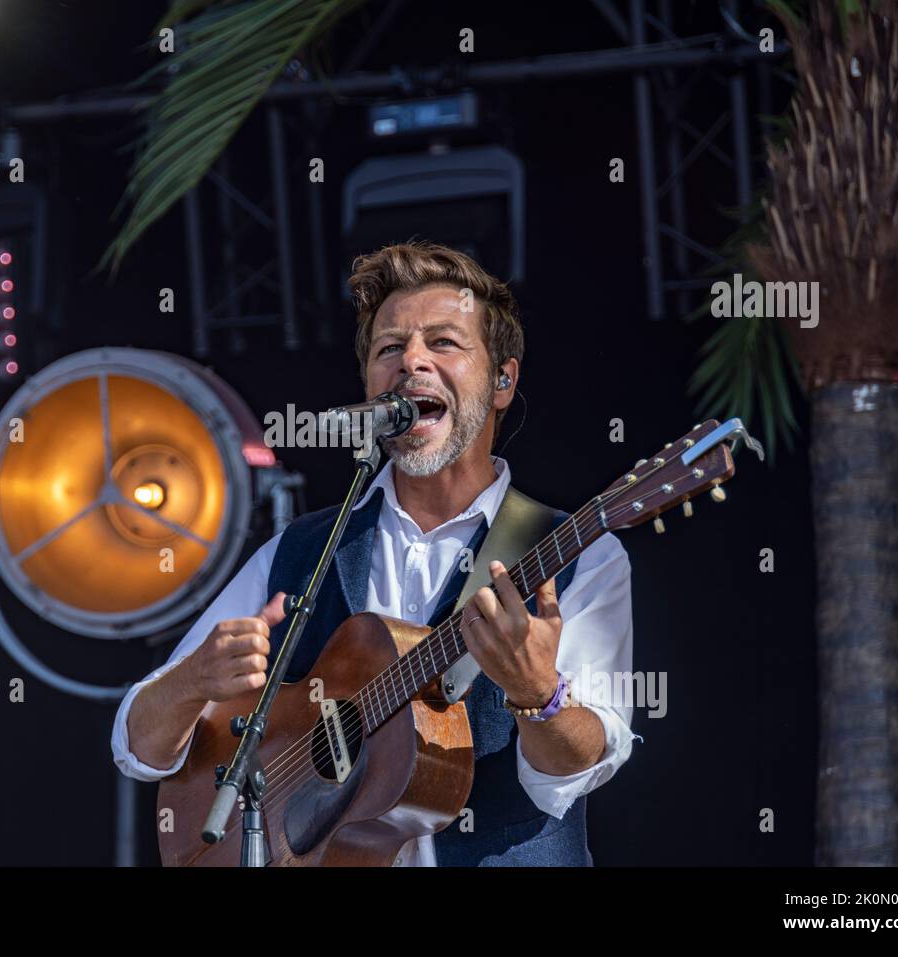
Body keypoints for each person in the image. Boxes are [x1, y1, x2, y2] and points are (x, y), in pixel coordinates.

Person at [112, 240, 638, 865]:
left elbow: (573, 770)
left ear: (503, 381)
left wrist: (537, 693)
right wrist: (193, 681)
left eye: (443, 342)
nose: (411, 361)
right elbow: (138, 747)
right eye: (390, 348)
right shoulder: (301, 550)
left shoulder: (576, 555)